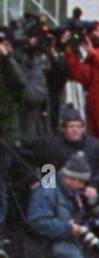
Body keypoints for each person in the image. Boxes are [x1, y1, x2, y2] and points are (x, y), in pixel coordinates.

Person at [0, 32, 27, 235]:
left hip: (18, 137)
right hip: (12, 135)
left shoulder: (13, 65)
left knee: (47, 172)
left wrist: (6, 59)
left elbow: (25, 88)